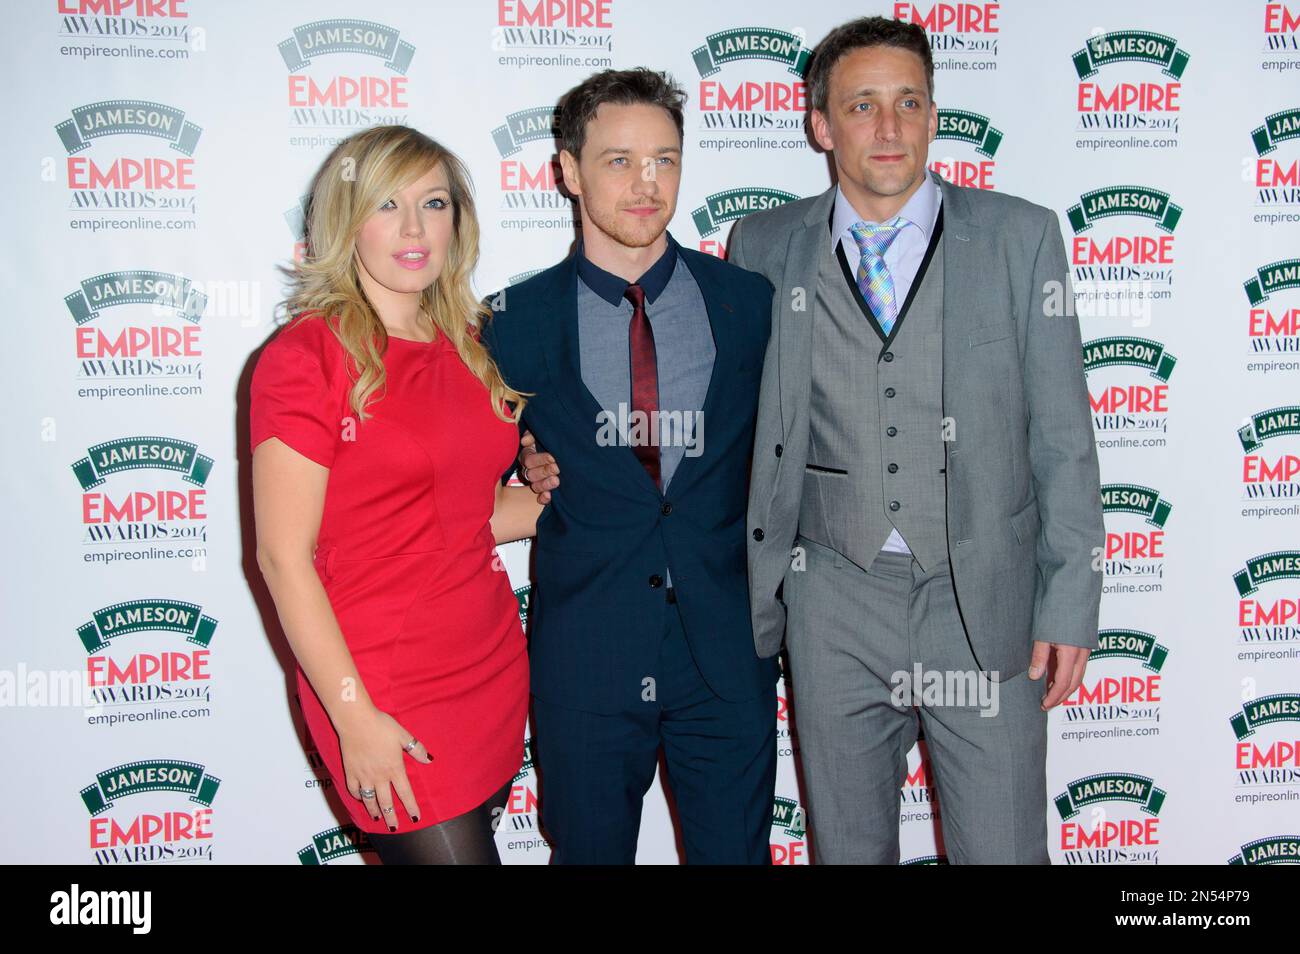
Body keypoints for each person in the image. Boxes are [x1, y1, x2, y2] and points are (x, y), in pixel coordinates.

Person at [728, 16, 1104, 864]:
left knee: (1004, 850)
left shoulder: (1021, 237)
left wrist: (1070, 601)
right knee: (848, 850)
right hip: (828, 599)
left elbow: (1064, 438)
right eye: (862, 105)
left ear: (935, 114)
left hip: (986, 600)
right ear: (822, 125)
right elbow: (730, 420)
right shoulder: (762, 247)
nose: (889, 127)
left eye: (909, 103)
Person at [485, 68, 779, 864]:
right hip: (586, 657)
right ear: (568, 172)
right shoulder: (508, 324)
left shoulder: (751, 304)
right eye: (618, 161)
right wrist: (518, 460)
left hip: (726, 659)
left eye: (665, 159)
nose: (647, 183)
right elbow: (456, 472)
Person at [250, 125, 542, 864]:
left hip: (488, 664)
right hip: (380, 682)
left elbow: (464, 515)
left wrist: (572, 495)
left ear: (458, 220)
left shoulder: (470, 347)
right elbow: (285, 560)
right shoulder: (305, 357)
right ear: (346, 221)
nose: (414, 229)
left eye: (433, 203)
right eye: (386, 204)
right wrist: (354, 718)